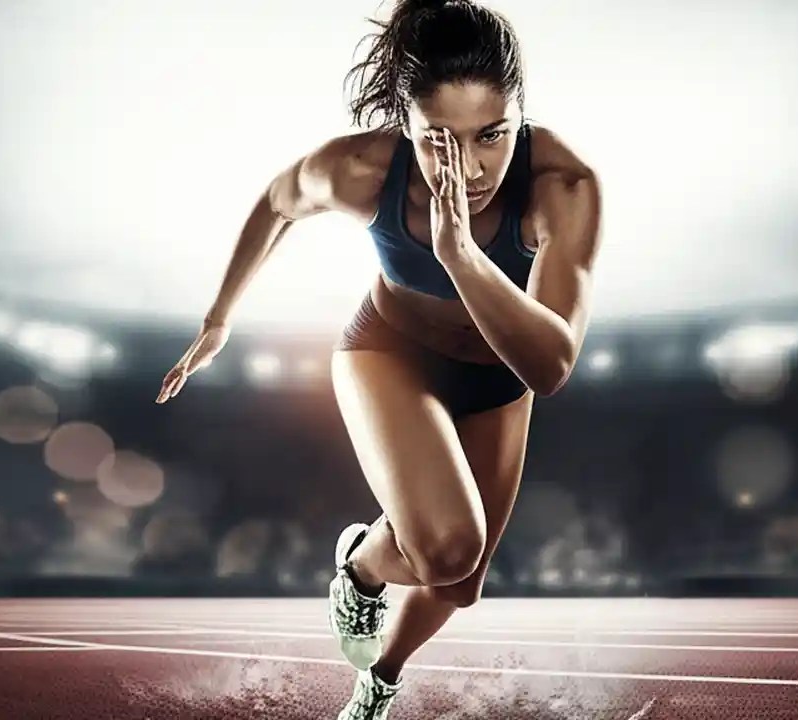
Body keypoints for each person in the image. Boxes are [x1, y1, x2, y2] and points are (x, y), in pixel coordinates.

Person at [156, 0, 602, 716]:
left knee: (459, 582)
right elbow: (277, 203)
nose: (472, 166)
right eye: (438, 140)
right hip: (390, 354)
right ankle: (363, 563)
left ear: (521, 113)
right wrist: (218, 321)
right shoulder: (364, 169)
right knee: (446, 547)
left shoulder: (562, 187)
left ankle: (379, 678)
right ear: (404, 124)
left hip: (498, 378)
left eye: (493, 134)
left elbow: (548, 366)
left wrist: (459, 255)